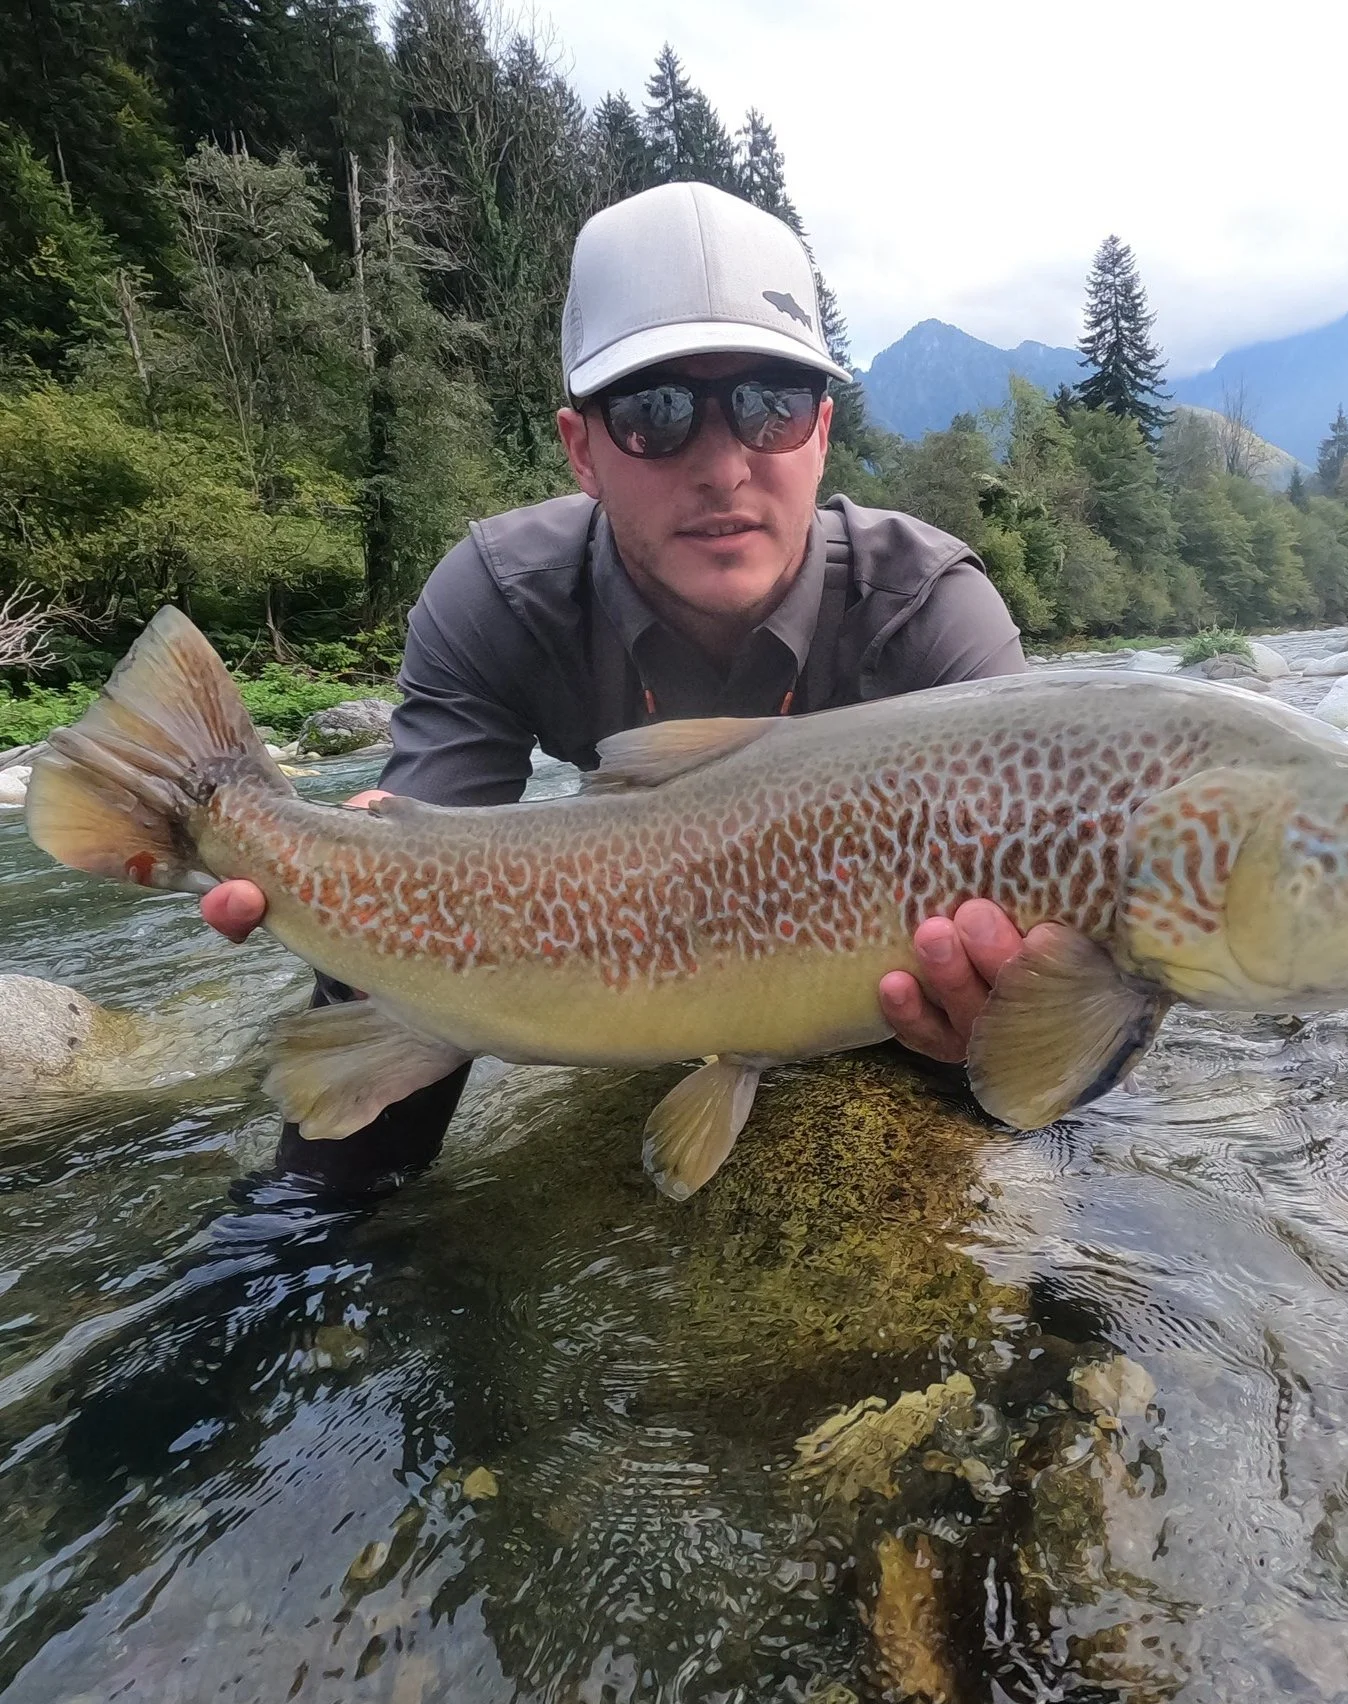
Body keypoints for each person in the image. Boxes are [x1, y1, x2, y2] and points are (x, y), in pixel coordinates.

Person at [202, 181, 1029, 1196]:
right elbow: (429, 884)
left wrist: (1006, 1038)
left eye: (768, 406)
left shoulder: (935, 617)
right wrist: (282, 850)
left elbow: (1052, 982)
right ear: (581, 447)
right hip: (550, 976)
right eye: (655, 412)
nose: (722, 466)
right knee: (345, 1082)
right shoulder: (498, 597)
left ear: (818, 431)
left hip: (878, 998)